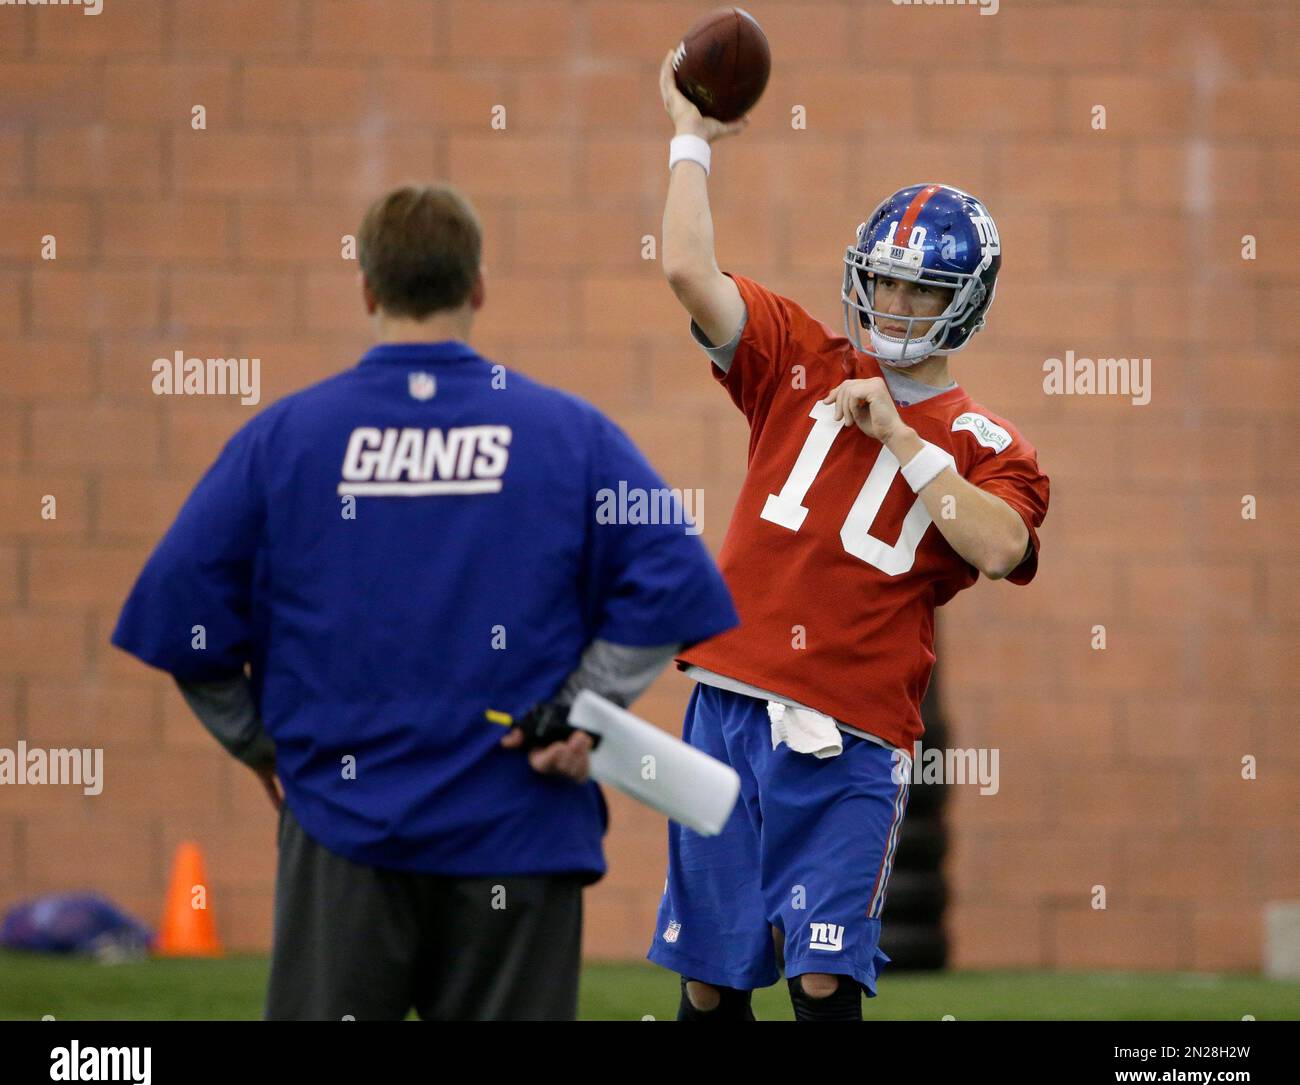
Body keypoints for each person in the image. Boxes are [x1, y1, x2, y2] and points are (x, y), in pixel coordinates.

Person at [111, 182, 738, 1021]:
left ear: (367, 288)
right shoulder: (569, 435)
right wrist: (578, 710)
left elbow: (182, 624)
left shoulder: (285, 441)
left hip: (343, 838)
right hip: (516, 839)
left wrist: (263, 748)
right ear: (476, 286)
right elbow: (675, 586)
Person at [648, 52, 1051, 1021]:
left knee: (823, 975)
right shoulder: (796, 352)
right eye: (884, 281)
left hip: (852, 732)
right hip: (727, 698)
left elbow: (998, 547)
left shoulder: (986, 443)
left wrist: (904, 440)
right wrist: (689, 140)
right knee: (709, 976)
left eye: (919, 289)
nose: (896, 303)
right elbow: (685, 268)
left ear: (964, 300)